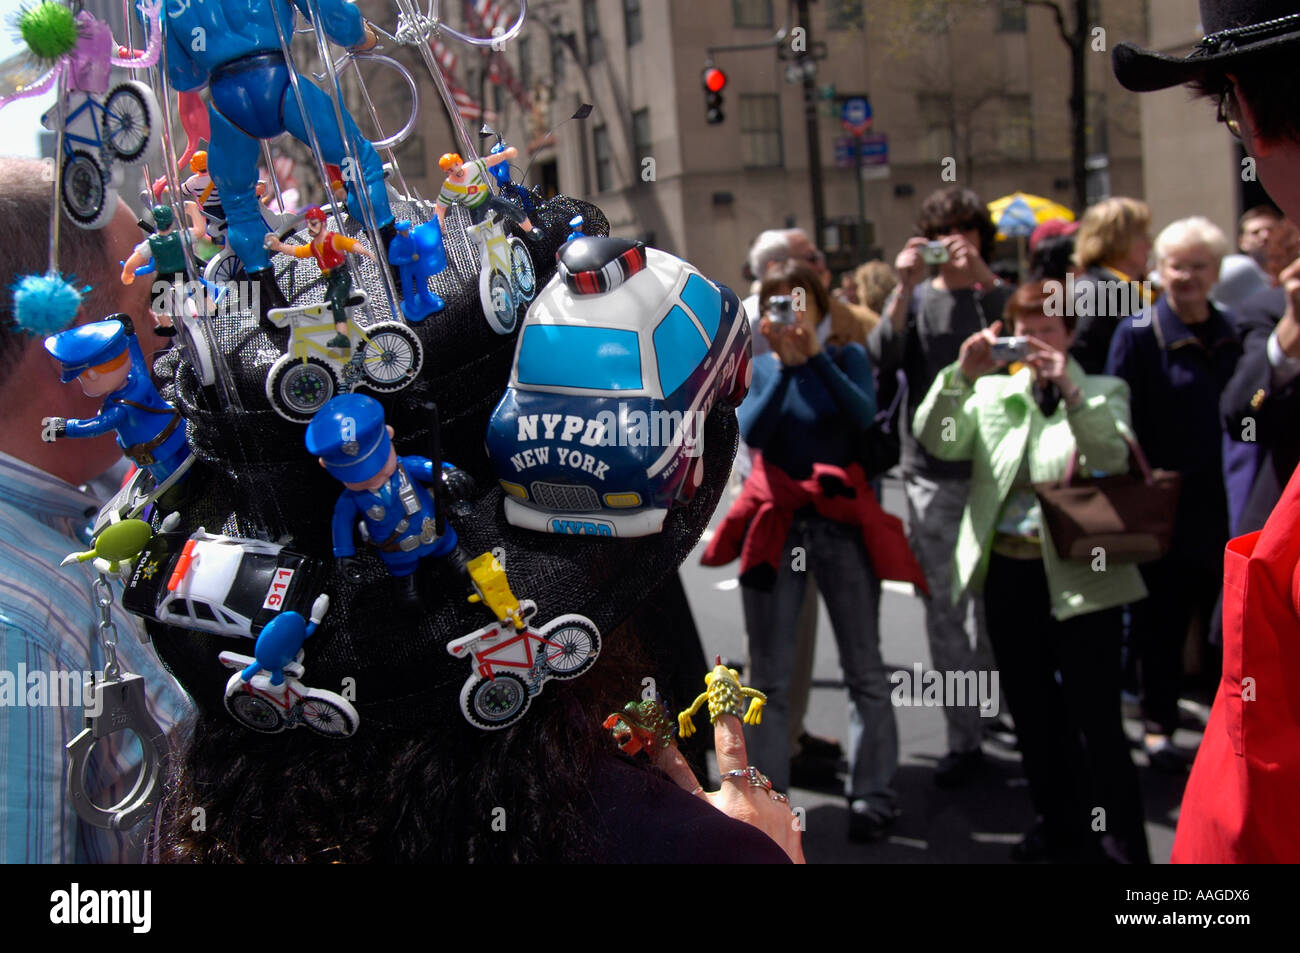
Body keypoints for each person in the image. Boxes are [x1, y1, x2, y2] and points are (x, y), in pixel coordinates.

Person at [1113, 0, 1300, 862]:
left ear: (1251, 109)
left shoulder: (1240, 324)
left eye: (1227, 109)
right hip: (1180, 511)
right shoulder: (1147, 333)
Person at [913, 280, 1150, 863]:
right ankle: (1059, 824)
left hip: (1083, 578)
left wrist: (1068, 388)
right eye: (1028, 330)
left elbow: (1111, 457)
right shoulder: (994, 395)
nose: (1038, 341)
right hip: (1011, 577)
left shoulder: (1101, 389)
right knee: (1034, 715)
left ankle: (1122, 843)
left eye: (1050, 329)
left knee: (1098, 718)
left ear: (1070, 334)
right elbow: (937, 441)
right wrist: (960, 376)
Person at [0, 157, 190, 863]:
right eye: (149, 313)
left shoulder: (71, 510)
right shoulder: (18, 626)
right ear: (77, 358)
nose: (170, 337)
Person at [703, 258, 926, 842]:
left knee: (865, 669)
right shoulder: (761, 370)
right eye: (777, 304)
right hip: (783, 525)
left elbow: (860, 419)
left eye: (800, 302)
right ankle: (773, 810)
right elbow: (756, 431)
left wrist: (816, 359)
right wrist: (782, 366)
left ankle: (873, 795)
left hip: (841, 527)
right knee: (771, 681)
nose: (789, 314)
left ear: (823, 309)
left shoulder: (848, 356)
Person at [867, 186, 1011, 788]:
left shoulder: (997, 292)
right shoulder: (918, 298)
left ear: (981, 235)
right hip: (929, 473)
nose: (954, 245)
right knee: (946, 611)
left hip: (999, 471)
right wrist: (900, 288)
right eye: (940, 235)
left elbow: (1024, 345)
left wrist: (983, 280)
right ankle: (963, 735)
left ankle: (994, 704)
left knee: (999, 607)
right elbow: (881, 355)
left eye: (965, 232)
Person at [1104, 216, 1241, 773]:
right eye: (1175, 265)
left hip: (1223, 501)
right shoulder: (1137, 331)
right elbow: (1117, 413)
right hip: (1159, 502)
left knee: (1220, 620)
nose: (1185, 276)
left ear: (1215, 273)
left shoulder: (1231, 327)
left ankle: (1220, 720)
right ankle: (1157, 723)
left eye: (1197, 266)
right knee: (1159, 619)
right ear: (1158, 269)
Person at [160, 0, 396, 311]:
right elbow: (333, 15)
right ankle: (392, 254)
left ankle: (269, 302)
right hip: (280, 82)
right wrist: (362, 36)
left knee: (238, 206)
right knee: (356, 160)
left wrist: (208, 42)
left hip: (228, 101)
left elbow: (183, 77)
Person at [266, 206, 375, 349]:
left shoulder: (333, 239)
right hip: (330, 280)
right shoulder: (313, 246)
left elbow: (350, 244)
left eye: (314, 223)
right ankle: (336, 333)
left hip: (341, 277)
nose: (311, 227)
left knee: (335, 301)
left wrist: (368, 253)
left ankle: (343, 337)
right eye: (309, 224)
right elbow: (297, 251)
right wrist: (279, 246)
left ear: (323, 223)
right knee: (326, 307)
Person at [1068, 197, 1155, 374]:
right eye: (1142, 235)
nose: (1150, 244)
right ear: (1118, 240)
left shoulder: (1134, 287)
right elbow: (1086, 360)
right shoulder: (1092, 291)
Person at [434, 150, 543, 241]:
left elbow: (490, 161)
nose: (456, 170)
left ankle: (530, 230)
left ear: (459, 162)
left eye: (456, 165)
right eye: (451, 170)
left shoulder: (471, 167)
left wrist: (505, 154)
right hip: (475, 207)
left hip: (488, 198)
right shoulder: (449, 186)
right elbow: (440, 206)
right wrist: (440, 223)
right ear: (447, 172)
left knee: (511, 208)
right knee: (478, 233)